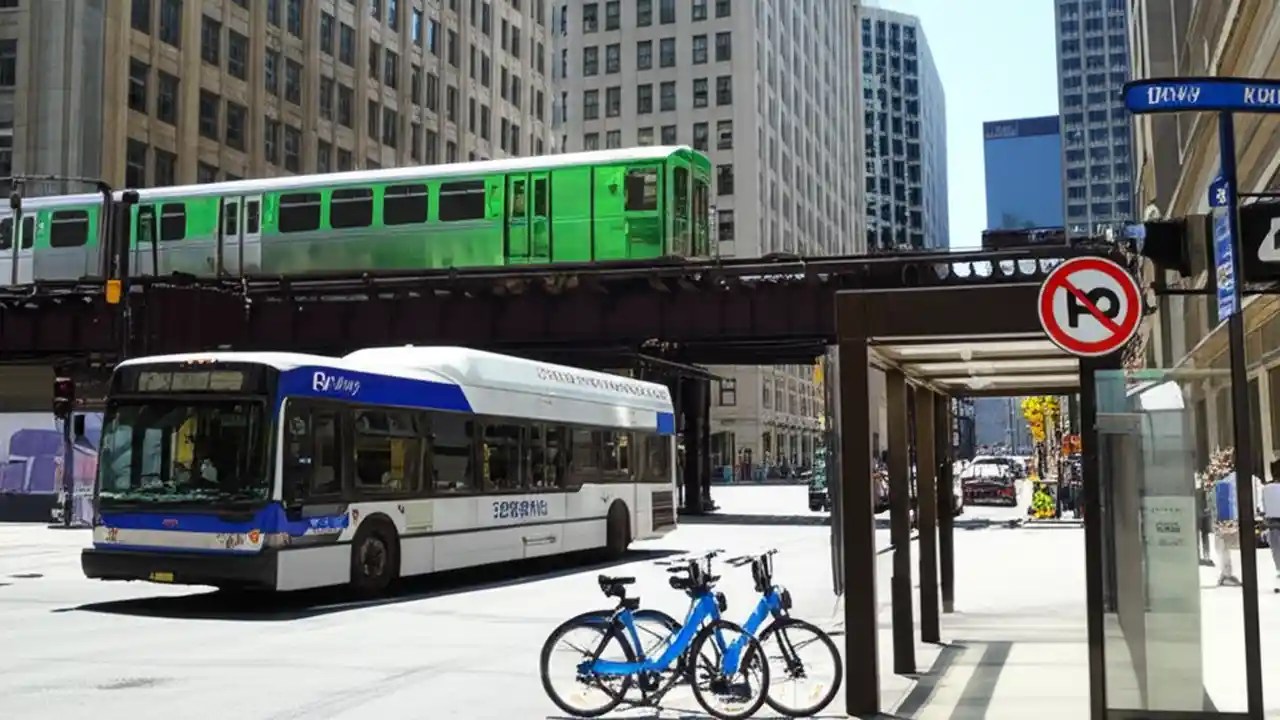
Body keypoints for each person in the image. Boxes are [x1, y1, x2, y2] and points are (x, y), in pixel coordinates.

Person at [1261, 473, 1280, 591]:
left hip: (1273, 523)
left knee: (1276, 549)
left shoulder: (1267, 489)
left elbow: (1263, 507)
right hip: (1273, 522)